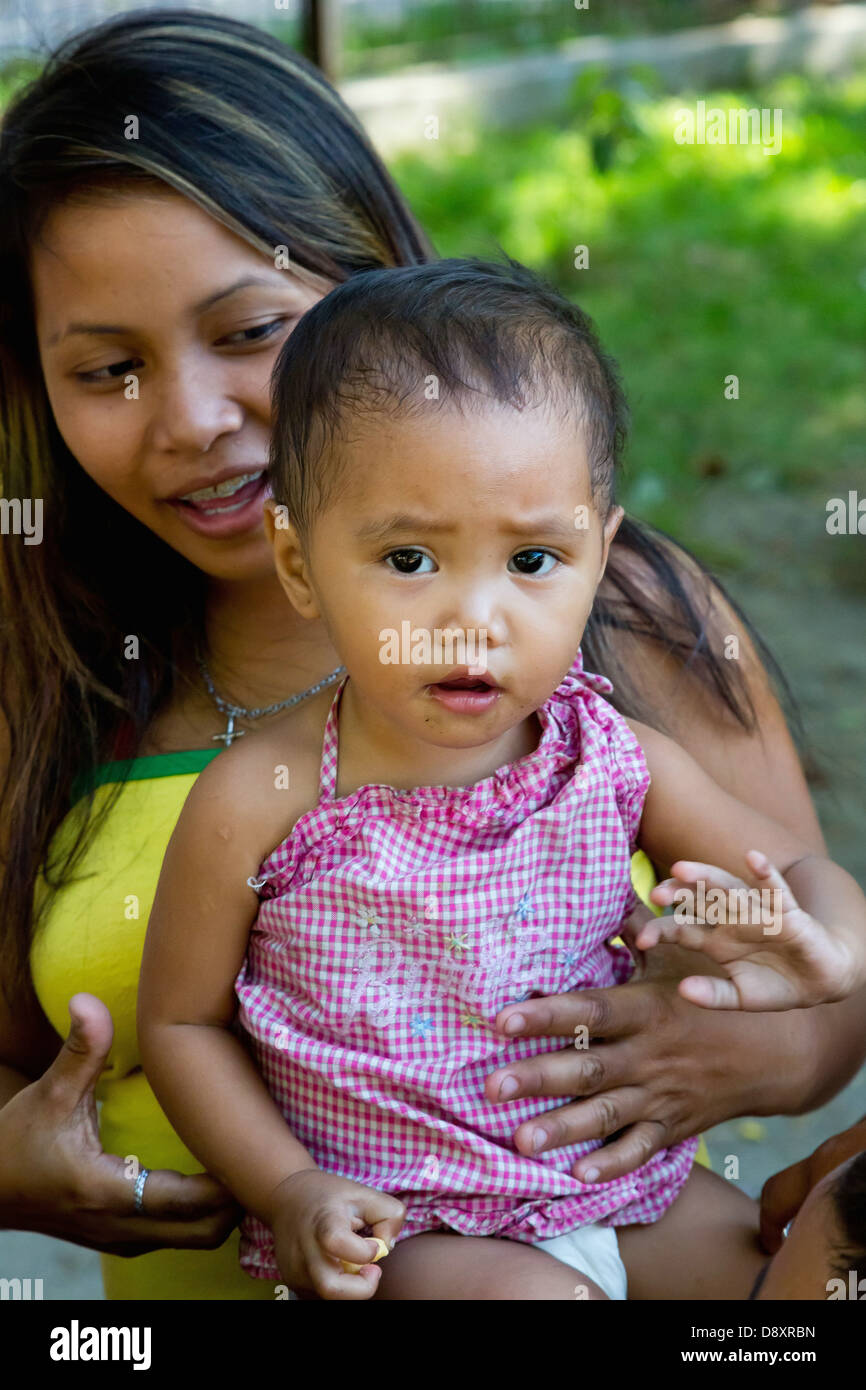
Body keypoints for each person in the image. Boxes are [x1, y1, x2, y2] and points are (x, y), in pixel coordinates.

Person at [1, 11, 863, 1301]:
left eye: (248, 332)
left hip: (611, 1221)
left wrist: (767, 1049)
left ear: (369, 283)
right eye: (108, 368)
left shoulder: (614, 624)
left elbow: (811, 943)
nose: (190, 418)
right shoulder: (48, 671)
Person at [137, 258, 866, 1301]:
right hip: (408, 1224)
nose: (474, 618)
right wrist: (291, 1188)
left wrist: (825, 943)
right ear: (298, 563)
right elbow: (182, 1024)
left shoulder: (606, 756)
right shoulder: (264, 795)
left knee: (791, 1275)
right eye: (407, 559)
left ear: (598, 555)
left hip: (618, 1185)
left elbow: (795, 864)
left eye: (531, 561)